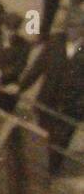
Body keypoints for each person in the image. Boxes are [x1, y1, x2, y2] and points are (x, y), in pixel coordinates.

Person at [13, 10, 84, 176]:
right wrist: (20, 86)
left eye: (74, 27)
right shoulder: (55, 42)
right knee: (40, 140)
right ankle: (31, 175)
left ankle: (48, 179)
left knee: (57, 147)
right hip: (47, 102)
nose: (70, 30)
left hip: (71, 109)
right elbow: (37, 68)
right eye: (68, 26)